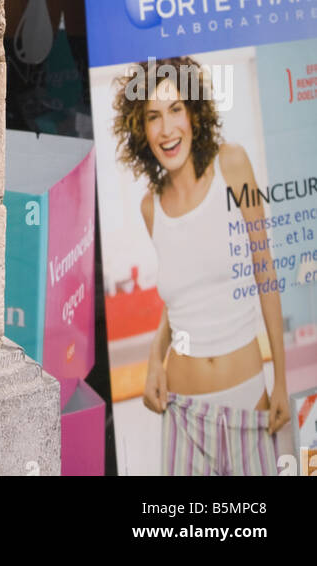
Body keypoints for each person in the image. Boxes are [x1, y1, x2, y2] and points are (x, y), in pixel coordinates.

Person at [112, 56, 290, 476]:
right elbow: (180, 301)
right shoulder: (149, 208)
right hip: (184, 416)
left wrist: (279, 380)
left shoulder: (232, 165)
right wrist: (156, 359)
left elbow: (265, 274)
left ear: (193, 112)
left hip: (249, 405)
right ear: (141, 129)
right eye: (153, 116)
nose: (167, 128)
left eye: (175, 109)